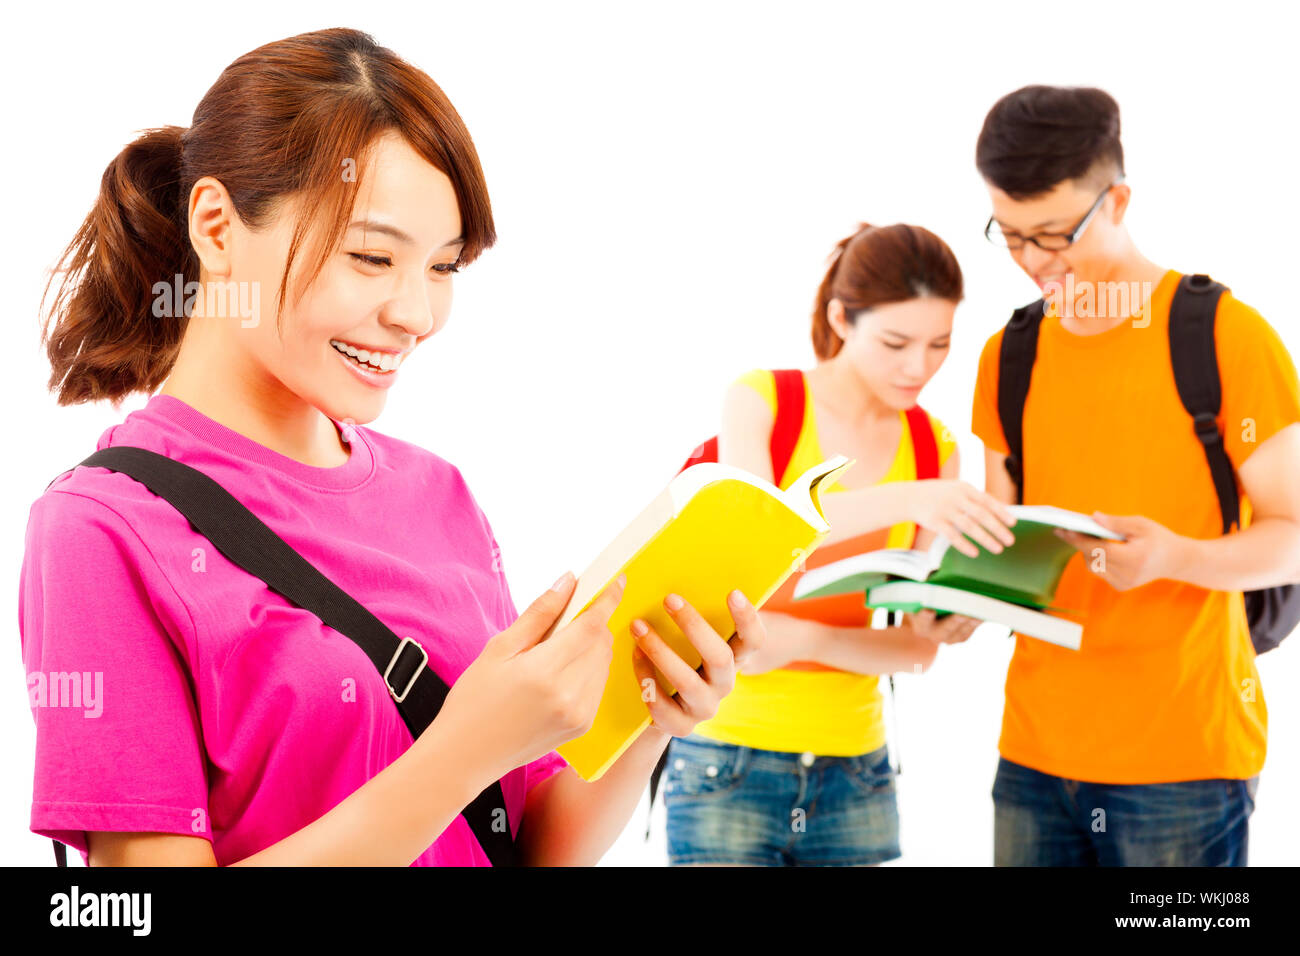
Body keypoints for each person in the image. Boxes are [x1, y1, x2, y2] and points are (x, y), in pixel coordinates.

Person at [20, 27, 767, 867]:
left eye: (443, 268)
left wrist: (646, 714)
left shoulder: (438, 492)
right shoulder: (100, 529)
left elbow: (523, 843)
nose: (416, 313)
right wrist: (461, 753)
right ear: (218, 226)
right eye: (372, 257)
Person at [971, 84, 1300, 866]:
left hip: (1184, 764)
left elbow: (1291, 537)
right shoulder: (1008, 356)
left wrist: (1175, 558)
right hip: (1033, 759)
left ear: (1117, 200)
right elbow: (1005, 534)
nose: (1032, 264)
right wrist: (956, 597)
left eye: (1053, 236)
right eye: (1010, 237)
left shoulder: (1225, 337)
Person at [662, 222, 1019, 866]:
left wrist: (823, 638)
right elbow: (759, 536)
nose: (920, 367)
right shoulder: (763, 401)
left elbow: (915, 653)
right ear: (841, 318)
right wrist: (908, 500)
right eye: (896, 342)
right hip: (725, 761)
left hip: (858, 774)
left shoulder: (934, 449)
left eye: (940, 344)